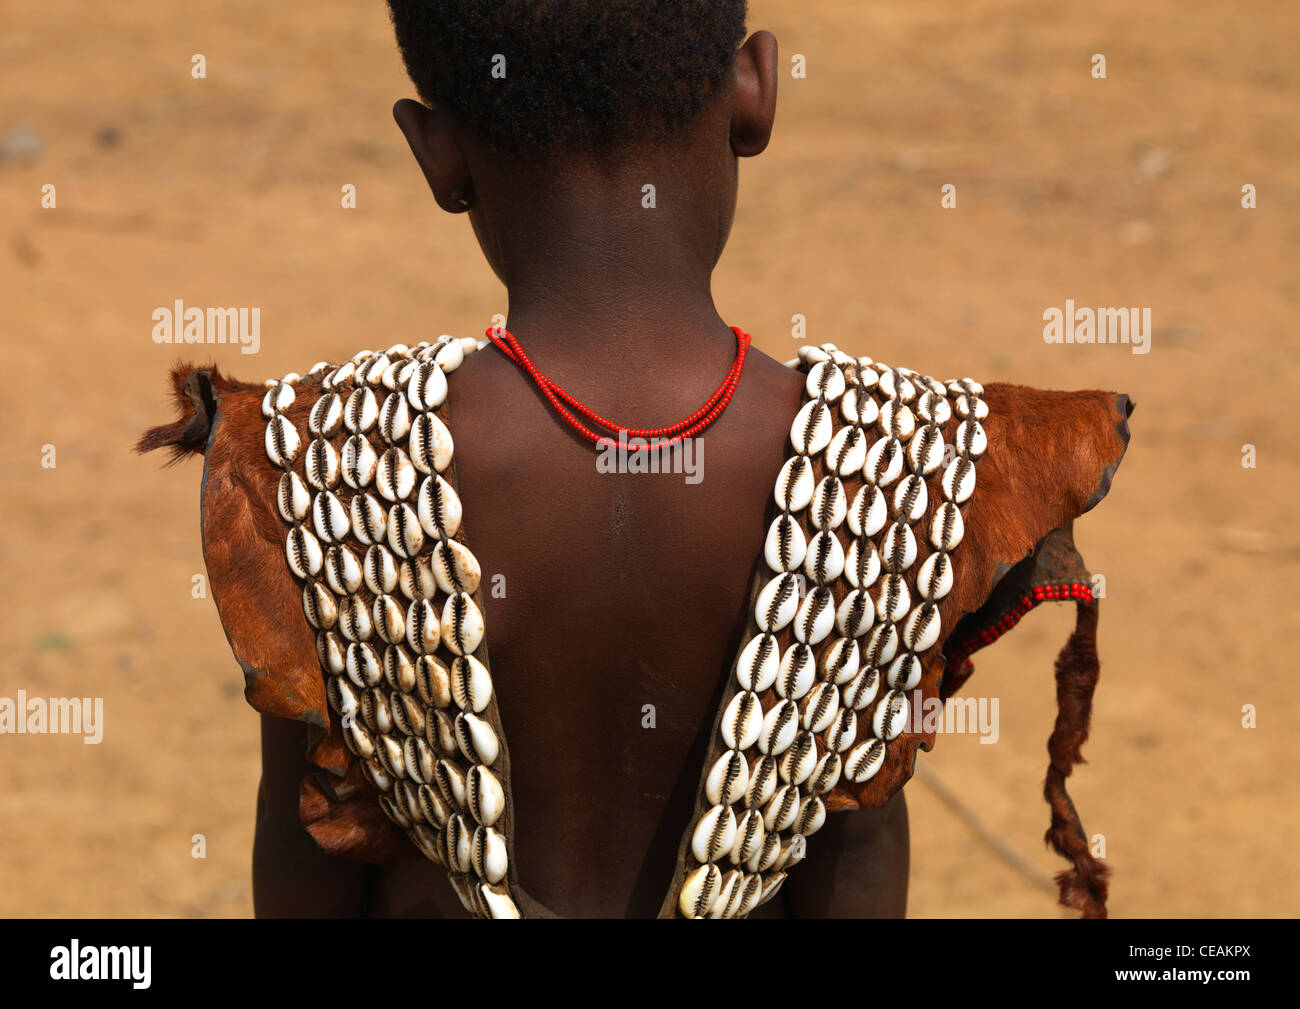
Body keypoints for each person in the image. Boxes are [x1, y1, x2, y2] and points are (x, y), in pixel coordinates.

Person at [138, 1, 1131, 918]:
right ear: (753, 91)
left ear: (436, 151)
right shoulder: (895, 471)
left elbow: (308, 873)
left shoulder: (320, 473)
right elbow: (854, 871)